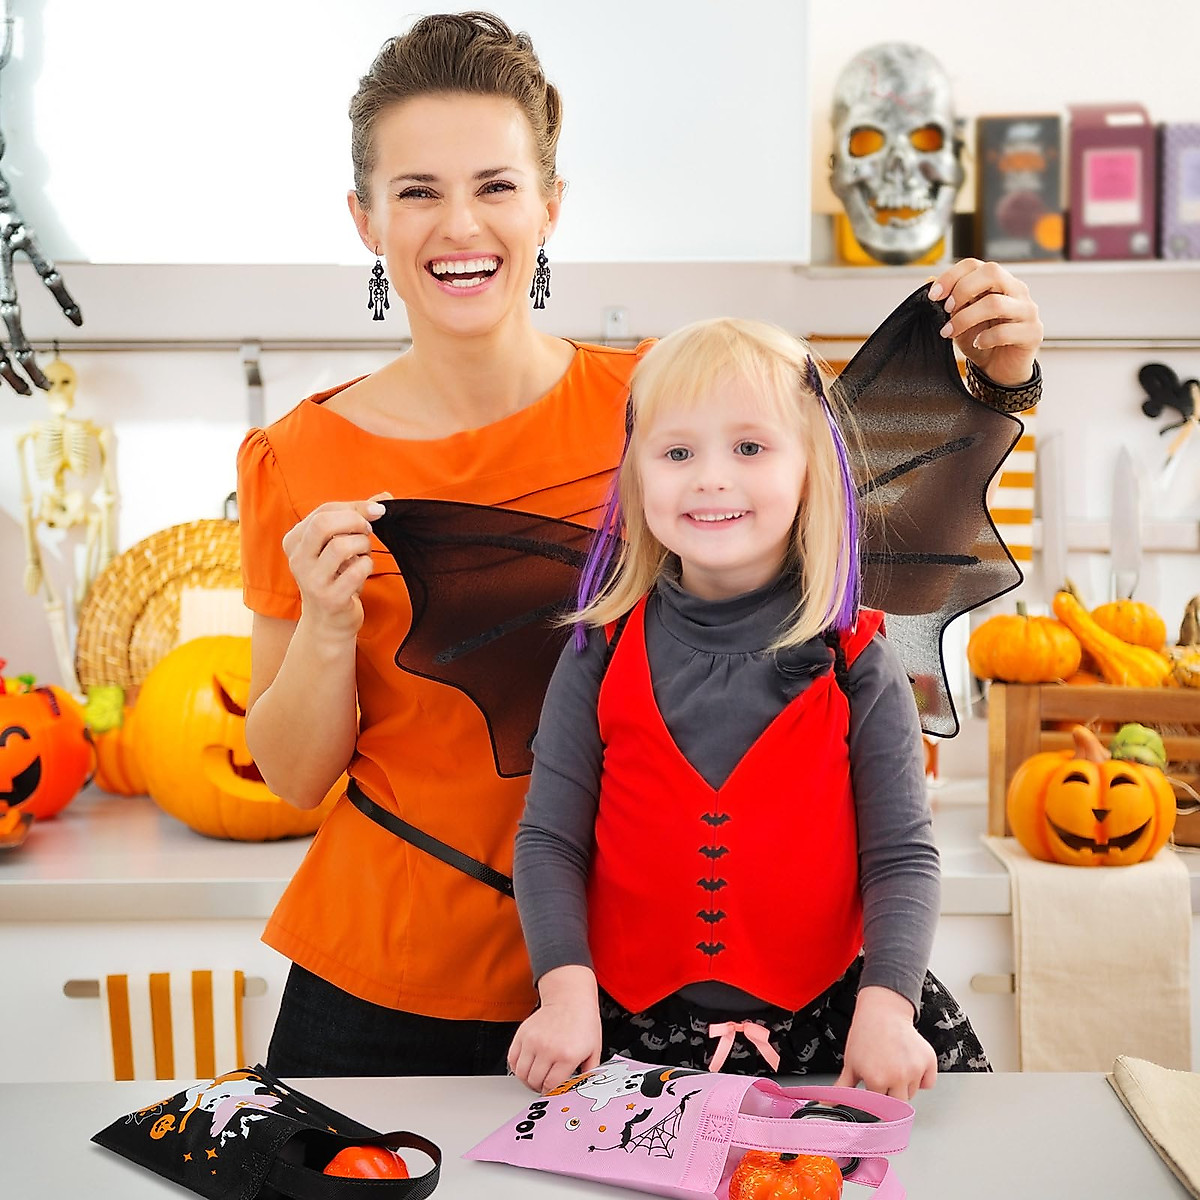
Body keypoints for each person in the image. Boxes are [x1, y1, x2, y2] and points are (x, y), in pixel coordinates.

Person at [237, 9, 1044, 1079]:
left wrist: (998, 379)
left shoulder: (664, 410)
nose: (460, 224)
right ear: (366, 218)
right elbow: (293, 777)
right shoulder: (298, 457)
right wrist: (329, 627)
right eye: (417, 191)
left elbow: (850, 507)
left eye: (495, 184)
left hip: (651, 998)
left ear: (549, 205)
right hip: (388, 974)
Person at [507, 308, 1037, 1101]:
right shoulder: (598, 651)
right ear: (638, 477)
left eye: (750, 448)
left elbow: (901, 856)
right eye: (677, 452)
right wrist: (564, 994)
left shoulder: (858, 658)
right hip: (631, 1032)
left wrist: (888, 1009)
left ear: (810, 470)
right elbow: (550, 840)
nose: (711, 478)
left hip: (837, 1025)